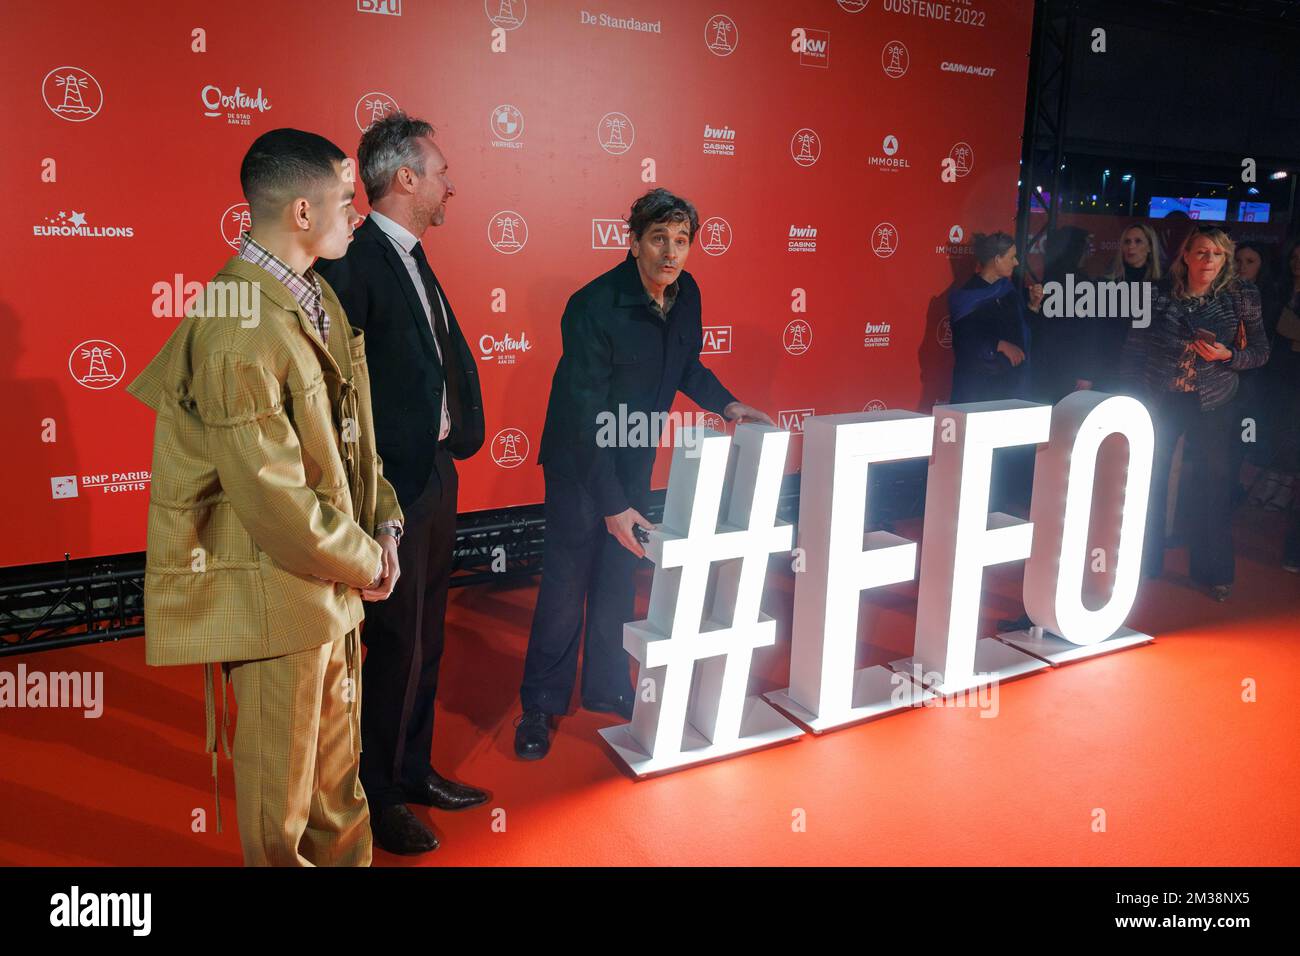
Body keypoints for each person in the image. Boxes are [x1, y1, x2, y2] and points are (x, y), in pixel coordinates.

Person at [127, 128, 403, 866]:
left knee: (337, 787)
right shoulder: (236, 328)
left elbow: (354, 433)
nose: (359, 215)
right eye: (348, 202)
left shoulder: (312, 296)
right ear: (304, 212)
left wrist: (385, 522)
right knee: (280, 807)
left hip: (330, 590)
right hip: (282, 598)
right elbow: (272, 499)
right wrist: (365, 559)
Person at [514, 188, 773, 760]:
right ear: (633, 243)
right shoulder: (592, 306)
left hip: (634, 456)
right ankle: (541, 704)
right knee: (565, 585)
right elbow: (583, 417)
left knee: (616, 579)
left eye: (682, 241)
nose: (671, 253)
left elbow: (685, 365)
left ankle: (607, 685)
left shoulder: (687, 296)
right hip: (581, 462)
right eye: (659, 239)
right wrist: (610, 504)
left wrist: (726, 404)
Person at [315, 113, 487, 856]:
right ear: (406, 179)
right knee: (391, 645)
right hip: (391, 488)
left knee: (428, 637)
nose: (453, 182)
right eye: (441, 169)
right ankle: (376, 794)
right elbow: (334, 388)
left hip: (435, 474)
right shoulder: (354, 258)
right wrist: (368, 495)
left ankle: (412, 769)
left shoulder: (412, 256)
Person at [1119, 225, 1269, 601]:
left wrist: (1229, 356)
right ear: (1185, 255)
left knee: (1213, 485)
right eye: (1202, 252)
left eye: (1217, 254)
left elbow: (1262, 351)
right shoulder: (1155, 295)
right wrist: (1133, 398)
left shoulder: (1241, 296)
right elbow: (1135, 349)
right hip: (1161, 397)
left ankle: (1214, 572)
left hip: (1214, 400)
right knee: (1147, 479)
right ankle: (1143, 562)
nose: (1209, 261)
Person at [947, 231, 1043, 515]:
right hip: (978, 391)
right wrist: (999, 345)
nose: (1016, 263)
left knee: (1001, 456)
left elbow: (1022, 331)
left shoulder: (1008, 292)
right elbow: (965, 342)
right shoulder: (966, 296)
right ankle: (970, 513)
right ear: (997, 259)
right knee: (975, 457)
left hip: (1007, 390)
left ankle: (996, 511)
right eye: (1012, 257)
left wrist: (1033, 307)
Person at [1093, 223, 1163, 393]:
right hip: (1110, 365)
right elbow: (1096, 332)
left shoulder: (1163, 286)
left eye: (1138, 241)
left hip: (1147, 369)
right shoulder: (1107, 283)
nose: (1131, 246)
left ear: (1149, 248)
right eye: (1127, 241)